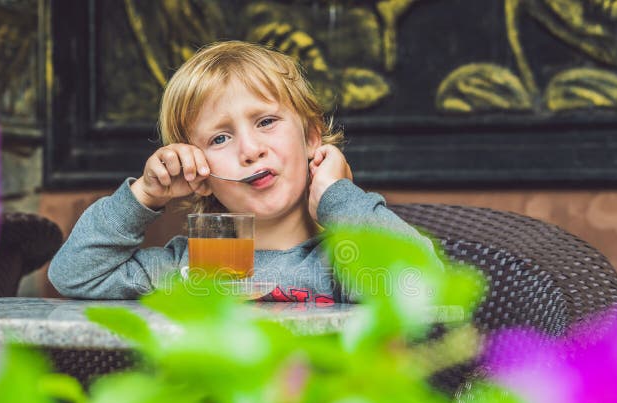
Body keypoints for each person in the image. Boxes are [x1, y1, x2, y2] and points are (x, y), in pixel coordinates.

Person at [48, 40, 438, 303]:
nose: (250, 150)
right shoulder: (190, 268)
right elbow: (74, 275)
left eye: (266, 121)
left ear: (311, 138)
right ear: (197, 173)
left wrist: (337, 195)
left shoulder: (344, 260)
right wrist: (146, 196)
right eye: (219, 139)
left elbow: (419, 286)